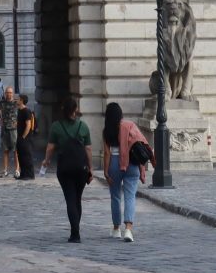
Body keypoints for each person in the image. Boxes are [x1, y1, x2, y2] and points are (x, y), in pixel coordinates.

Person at [42, 97, 92, 243]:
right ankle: (75, 230)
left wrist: (46, 160)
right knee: (77, 199)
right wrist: (91, 168)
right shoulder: (83, 126)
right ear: (75, 109)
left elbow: (51, 147)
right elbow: (88, 149)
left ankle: (75, 234)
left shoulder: (56, 127)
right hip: (81, 168)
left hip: (64, 168)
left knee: (70, 198)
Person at [101, 101, 151, 241]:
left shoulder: (106, 131)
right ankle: (128, 229)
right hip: (132, 163)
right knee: (130, 197)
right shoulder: (129, 126)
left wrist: (106, 171)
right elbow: (140, 141)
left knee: (115, 197)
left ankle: (116, 228)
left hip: (115, 163)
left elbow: (107, 153)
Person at [0, 86, 20, 177]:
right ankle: (5, 170)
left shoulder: (16, 103)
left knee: (15, 151)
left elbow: (21, 112)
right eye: (7, 92)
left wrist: (18, 122)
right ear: (5, 93)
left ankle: (17, 169)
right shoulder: (2, 102)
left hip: (14, 130)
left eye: (10, 92)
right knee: (5, 150)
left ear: (13, 93)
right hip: (5, 129)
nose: (9, 94)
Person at [14, 93, 37, 180]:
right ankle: (23, 174)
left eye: (18, 99)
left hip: (25, 138)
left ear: (22, 100)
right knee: (21, 156)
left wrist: (23, 137)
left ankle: (30, 175)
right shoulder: (19, 110)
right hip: (20, 137)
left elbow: (28, 125)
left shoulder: (26, 111)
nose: (16, 100)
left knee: (27, 156)